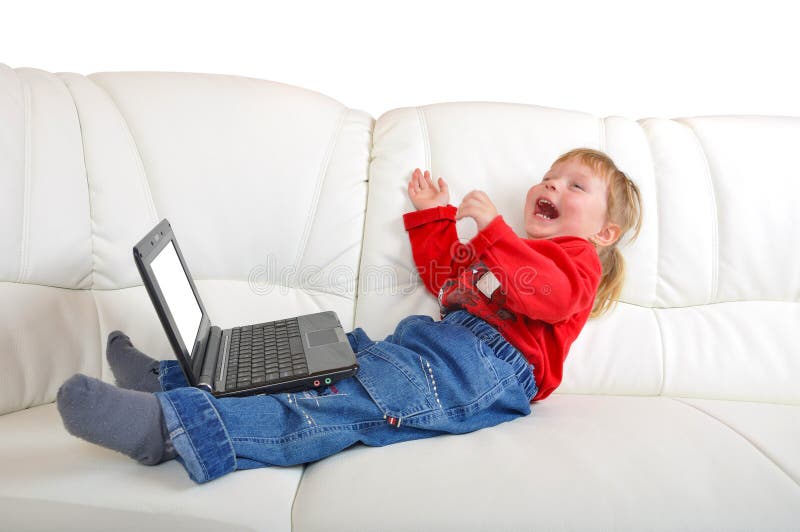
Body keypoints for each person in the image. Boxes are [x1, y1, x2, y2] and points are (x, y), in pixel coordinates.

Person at [56, 148, 643, 484]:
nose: (552, 185)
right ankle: (169, 378)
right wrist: (435, 216)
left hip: (486, 369)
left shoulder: (576, 263)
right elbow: (446, 278)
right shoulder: (508, 250)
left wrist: (493, 230)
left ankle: (171, 428)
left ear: (604, 233)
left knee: (344, 399)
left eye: (575, 186)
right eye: (550, 177)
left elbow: (548, 294)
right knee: (325, 354)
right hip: (439, 343)